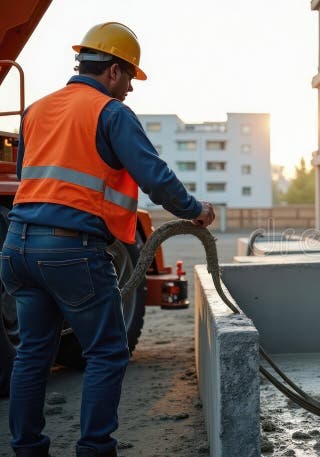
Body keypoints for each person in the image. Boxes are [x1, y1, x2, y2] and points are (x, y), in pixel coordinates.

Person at [0, 22, 215, 457]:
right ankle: (95, 450)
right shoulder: (111, 113)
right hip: (70, 251)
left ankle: (27, 449)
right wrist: (195, 209)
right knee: (107, 351)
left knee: (32, 354)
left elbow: (25, 177)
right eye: (130, 77)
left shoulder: (35, 110)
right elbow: (155, 177)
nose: (130, 89)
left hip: (16, 247)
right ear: (113, 70)